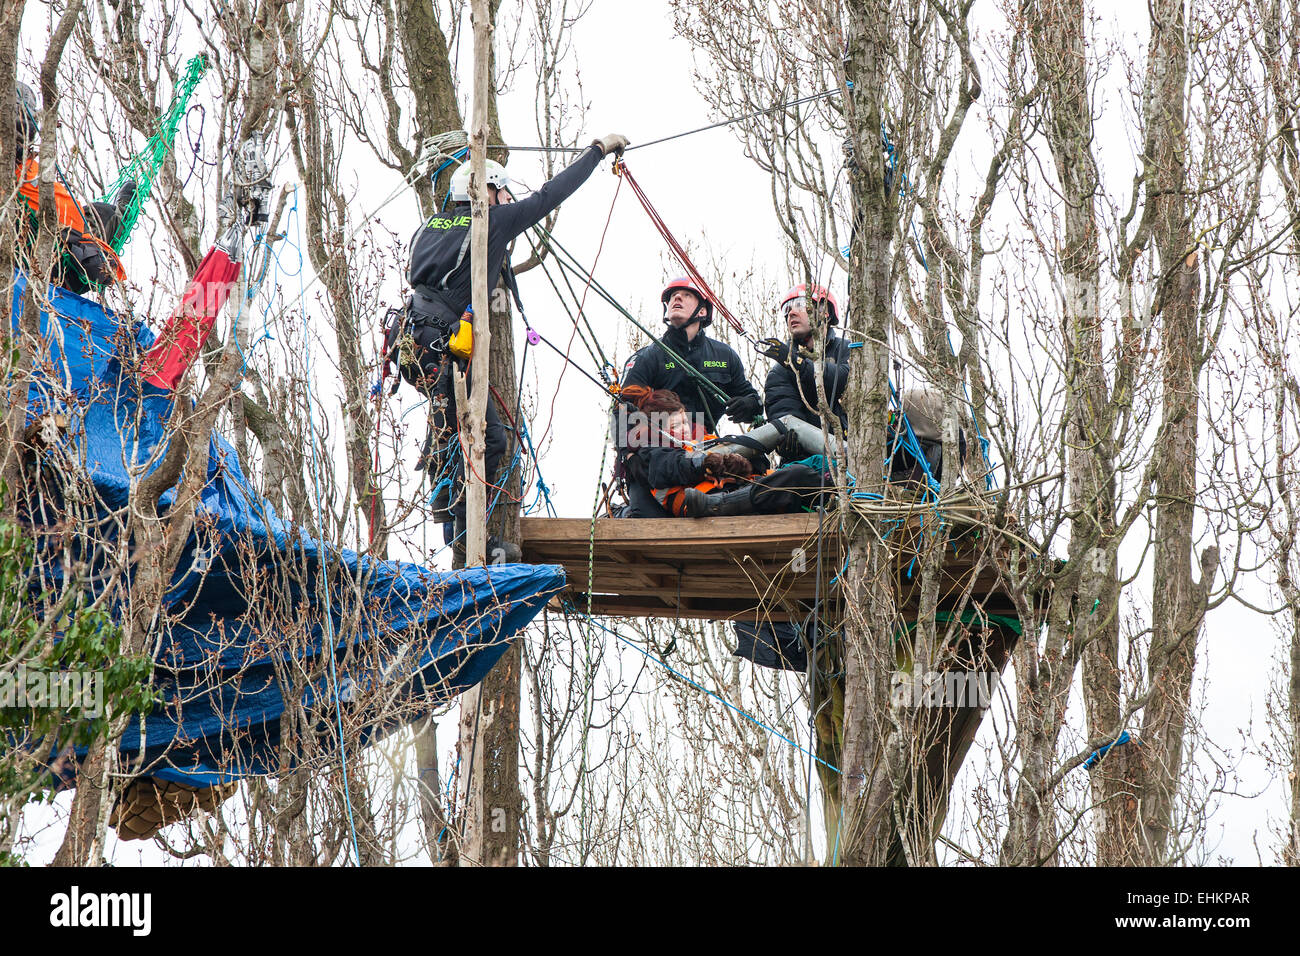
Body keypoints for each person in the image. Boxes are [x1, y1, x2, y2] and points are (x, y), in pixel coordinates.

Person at [389, 132, 629, 553]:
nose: (504, 199)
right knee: (491, 438)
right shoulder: (490, 221)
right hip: (442, 341)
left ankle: (447, 508)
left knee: (448, 426)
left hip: (412, 335)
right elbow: (550, 195)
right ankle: (465, 536)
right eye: (500, 192)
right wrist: (597, 151)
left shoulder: (428, 226)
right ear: (486, 191)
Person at [622, 387, 824, 518]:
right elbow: (671, 467)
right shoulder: (653, 453)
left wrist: (742, 463)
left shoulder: (703, 442)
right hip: (702, 503)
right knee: (796, 476)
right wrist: (706, 463)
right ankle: (718, 504)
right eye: (676, 425)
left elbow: (756, 458)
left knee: (808, 472)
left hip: (743, 492)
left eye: (685, 422)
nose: (684, 429)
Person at [13, 80, 134, 295]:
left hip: (67, 253)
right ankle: (118, 215)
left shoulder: (30, 167)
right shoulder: (18, 168)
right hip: (46, 250)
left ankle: (119, 214)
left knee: (101, 213)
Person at [758, 284, 853, 459]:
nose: (791, 313)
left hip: (854, 454)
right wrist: (786, 442)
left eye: (800, 304)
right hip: (808, 463)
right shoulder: (780, 371)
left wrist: (798, 362)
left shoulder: (847, 349)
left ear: (825, 312)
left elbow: (844, 380)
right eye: (787, 309)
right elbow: (784, 413)